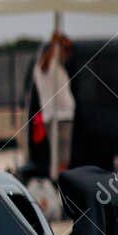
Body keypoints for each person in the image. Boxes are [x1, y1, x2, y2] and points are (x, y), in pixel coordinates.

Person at [33, 29, 75, 176]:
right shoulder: (46, 66)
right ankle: (60, 183)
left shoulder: (56, 67)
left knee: (62, 157)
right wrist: (55, 42)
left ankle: (59, 180)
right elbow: (47, 61)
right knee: (61, 158)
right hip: (58, 117)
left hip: (62, 116)